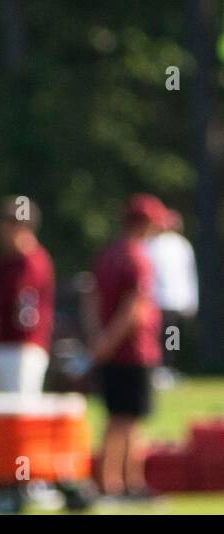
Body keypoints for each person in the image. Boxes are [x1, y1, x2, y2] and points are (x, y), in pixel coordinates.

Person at [86, 193, 171, 501]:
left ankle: (126, 482)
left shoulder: (108, 255)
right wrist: (108, 341)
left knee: (121, 419)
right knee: (126, 420)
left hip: (113, 349)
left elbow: (93, 299)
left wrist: (98, 339)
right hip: (133, 350)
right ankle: (116, 484)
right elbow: (133, 307)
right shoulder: (137, 257)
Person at [0, 197, 54, 394]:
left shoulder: (34, 263)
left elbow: (25, 314)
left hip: (24, 349)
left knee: (19, 414)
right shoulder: (2, 265)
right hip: (0, 345)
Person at [146, 210, 198, 378]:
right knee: (156, 336)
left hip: (174, 300)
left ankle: (170, 367)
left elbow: (188, 274)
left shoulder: (182, 245)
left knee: (172, 336)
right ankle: (157, 368)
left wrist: (191, 300)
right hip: (156, 299)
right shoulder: (153, 243)